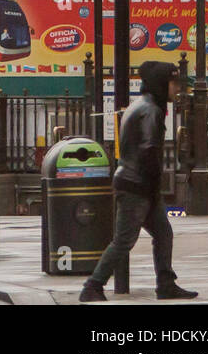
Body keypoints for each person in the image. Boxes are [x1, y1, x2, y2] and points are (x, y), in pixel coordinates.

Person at [80, 61, 198, 302]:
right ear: (160, 84)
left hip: (139, 184)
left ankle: (166, 284)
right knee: (124, 240)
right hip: (137, 186)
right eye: (173, 83)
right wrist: (154, 185)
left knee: (163, 233)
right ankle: (92, 286)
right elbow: (148, 151)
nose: (176, 89)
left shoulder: (143, 105)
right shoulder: (151, 110)